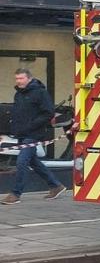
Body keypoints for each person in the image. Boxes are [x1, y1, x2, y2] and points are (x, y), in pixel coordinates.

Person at [3, 69, 67, 205]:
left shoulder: (40, 93)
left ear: (29, 78)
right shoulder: (18, 94)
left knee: (22, 162)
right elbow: (18, 114)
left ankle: (15, 194)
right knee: (33, 161)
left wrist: (31, 125)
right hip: (21, 133)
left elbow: (48, 113)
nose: (18, 81)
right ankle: (56, 185)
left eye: (21, 78)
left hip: (34, 134)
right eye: (16, 78)